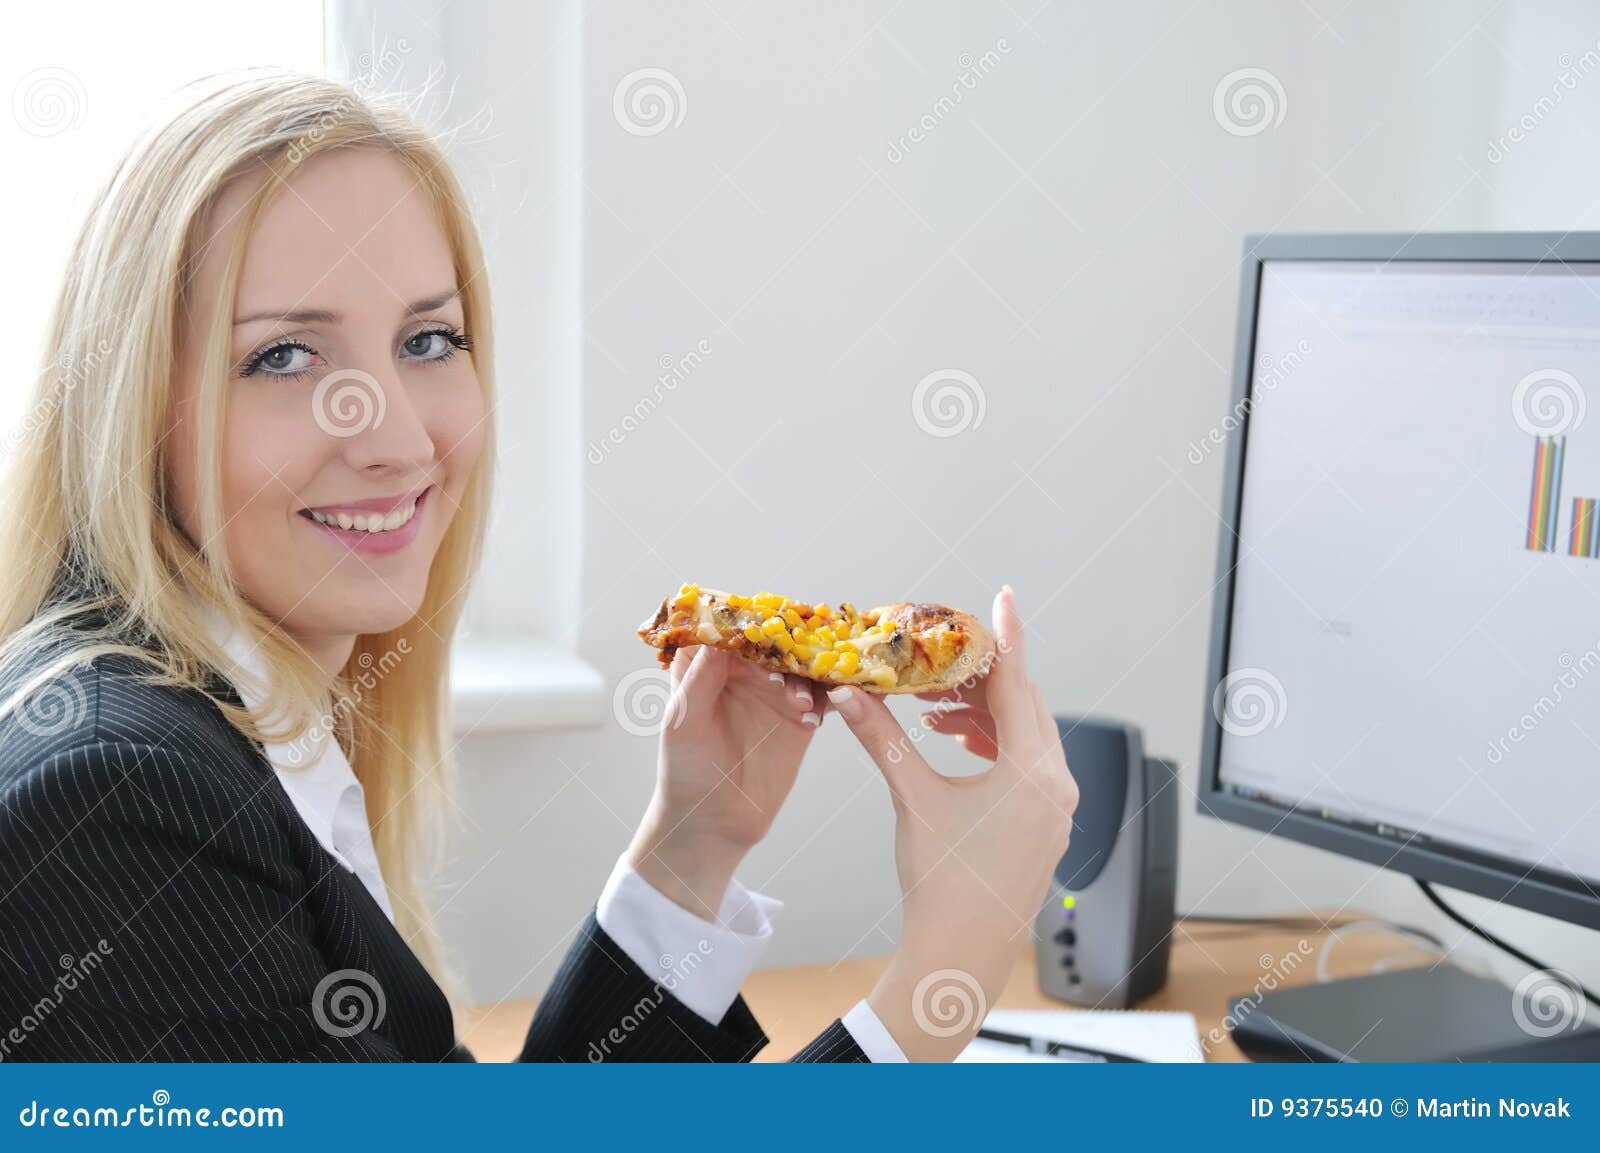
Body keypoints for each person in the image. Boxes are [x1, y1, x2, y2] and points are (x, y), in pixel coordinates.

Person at [0, 71, 1078, 1062]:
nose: (398, 439)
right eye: (285, 355)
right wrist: (944, 974)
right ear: (137, 406)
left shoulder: (231, 721)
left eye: (429, 340)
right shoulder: (114, 796)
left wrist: (690, 853)